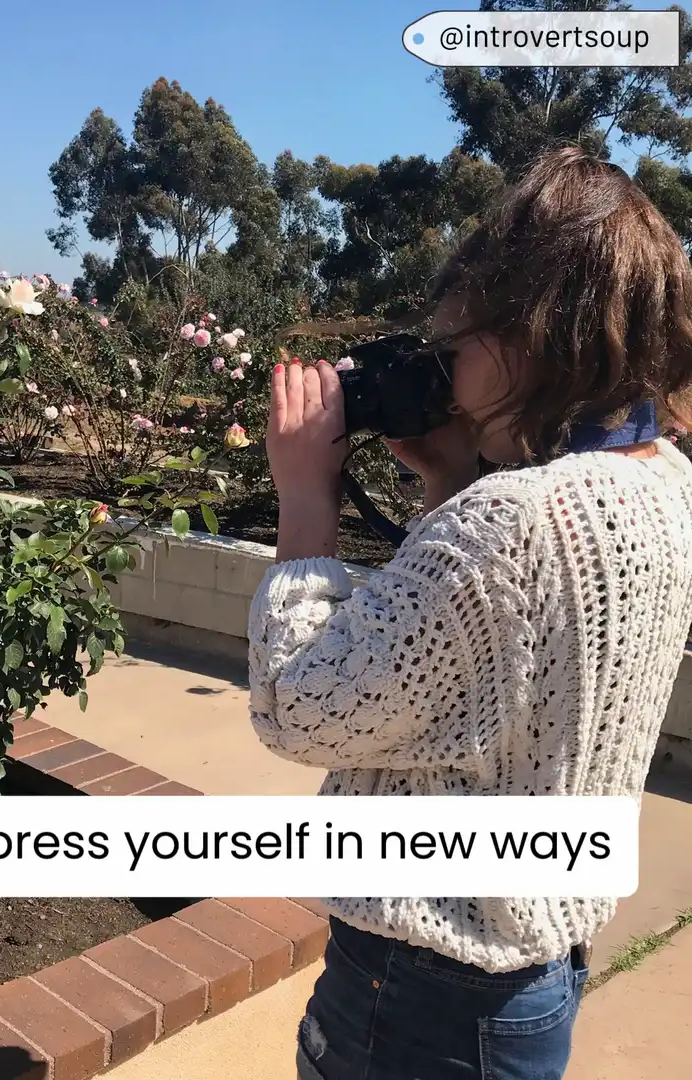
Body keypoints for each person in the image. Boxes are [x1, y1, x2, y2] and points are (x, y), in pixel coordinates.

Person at [248, 146, 692, 1080]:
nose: (442, 374)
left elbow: (302, 708)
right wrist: (452, 476)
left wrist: (303, 500)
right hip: (529, 977)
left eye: (455, 350)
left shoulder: (512, 521)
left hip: (420, 991)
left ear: (527, 334)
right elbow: (512, 679)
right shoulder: (665, 481)